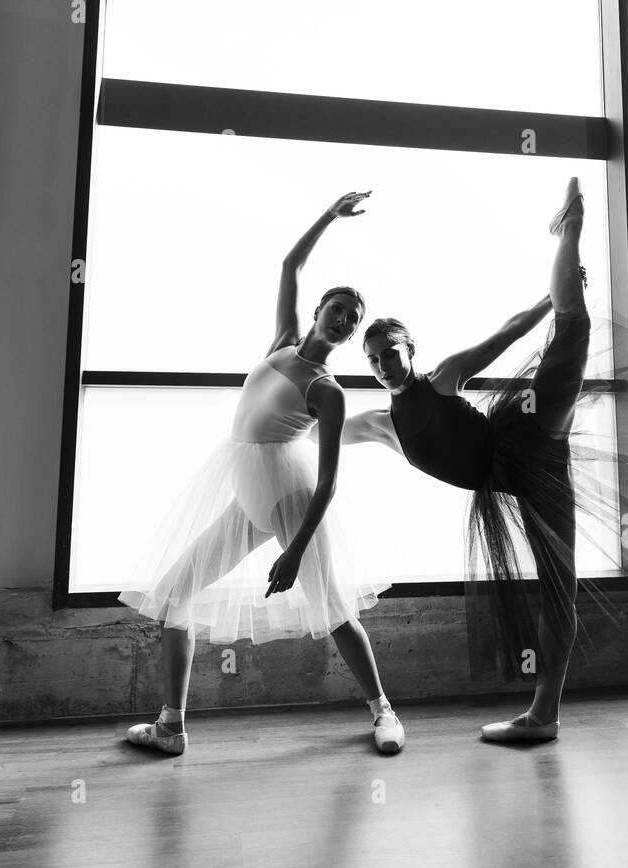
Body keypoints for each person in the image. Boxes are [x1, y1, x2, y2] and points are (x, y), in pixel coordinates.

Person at [119, 191, 405, 757]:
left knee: (334, 612)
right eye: (339, 308)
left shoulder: (328, 390)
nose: (345, 321)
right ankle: (171, 725)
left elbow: (327, 482)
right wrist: (329, 214)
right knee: (174, 595)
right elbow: (289, 265)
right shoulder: (280, 346)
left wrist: (295, 549)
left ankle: (384, 712)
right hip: (245, 496)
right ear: (321, 307)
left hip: (290, 498)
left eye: (353, 320)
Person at [342, 177, 596, 744]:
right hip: (520, 481)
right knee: (559, 590)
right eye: (375, 359)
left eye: (392, 353)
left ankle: (570, 228)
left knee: (571, 327)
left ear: (412, 350)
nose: (384, 364)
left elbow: (503, 336)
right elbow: (318, 429)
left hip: (529, 436)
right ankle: (544, 717)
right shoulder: (380, 427)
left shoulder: (443, 378)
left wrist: (543, 304)